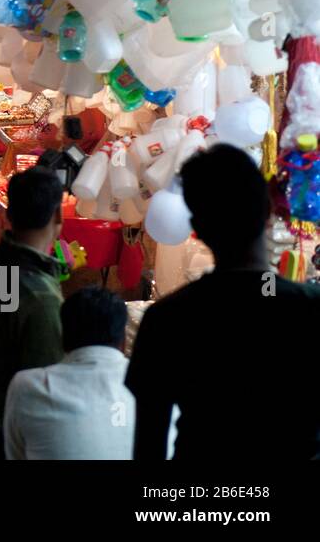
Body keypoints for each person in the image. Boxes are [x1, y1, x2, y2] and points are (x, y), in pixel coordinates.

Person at [127, 145, 320, 460]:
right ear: (270, 212)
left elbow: (149, 443)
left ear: (197, 229)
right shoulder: (309, 309)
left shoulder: (168, 319)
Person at [0, 167, 66, 461]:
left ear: (8, 213)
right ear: (58, 216)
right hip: (26, 433)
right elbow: (47, 379)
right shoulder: (40, 296)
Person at [4, 287, 134, 460]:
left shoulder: (27, 387)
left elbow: (16, 455)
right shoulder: (156, 383)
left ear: (63, 338)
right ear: (123, 342)